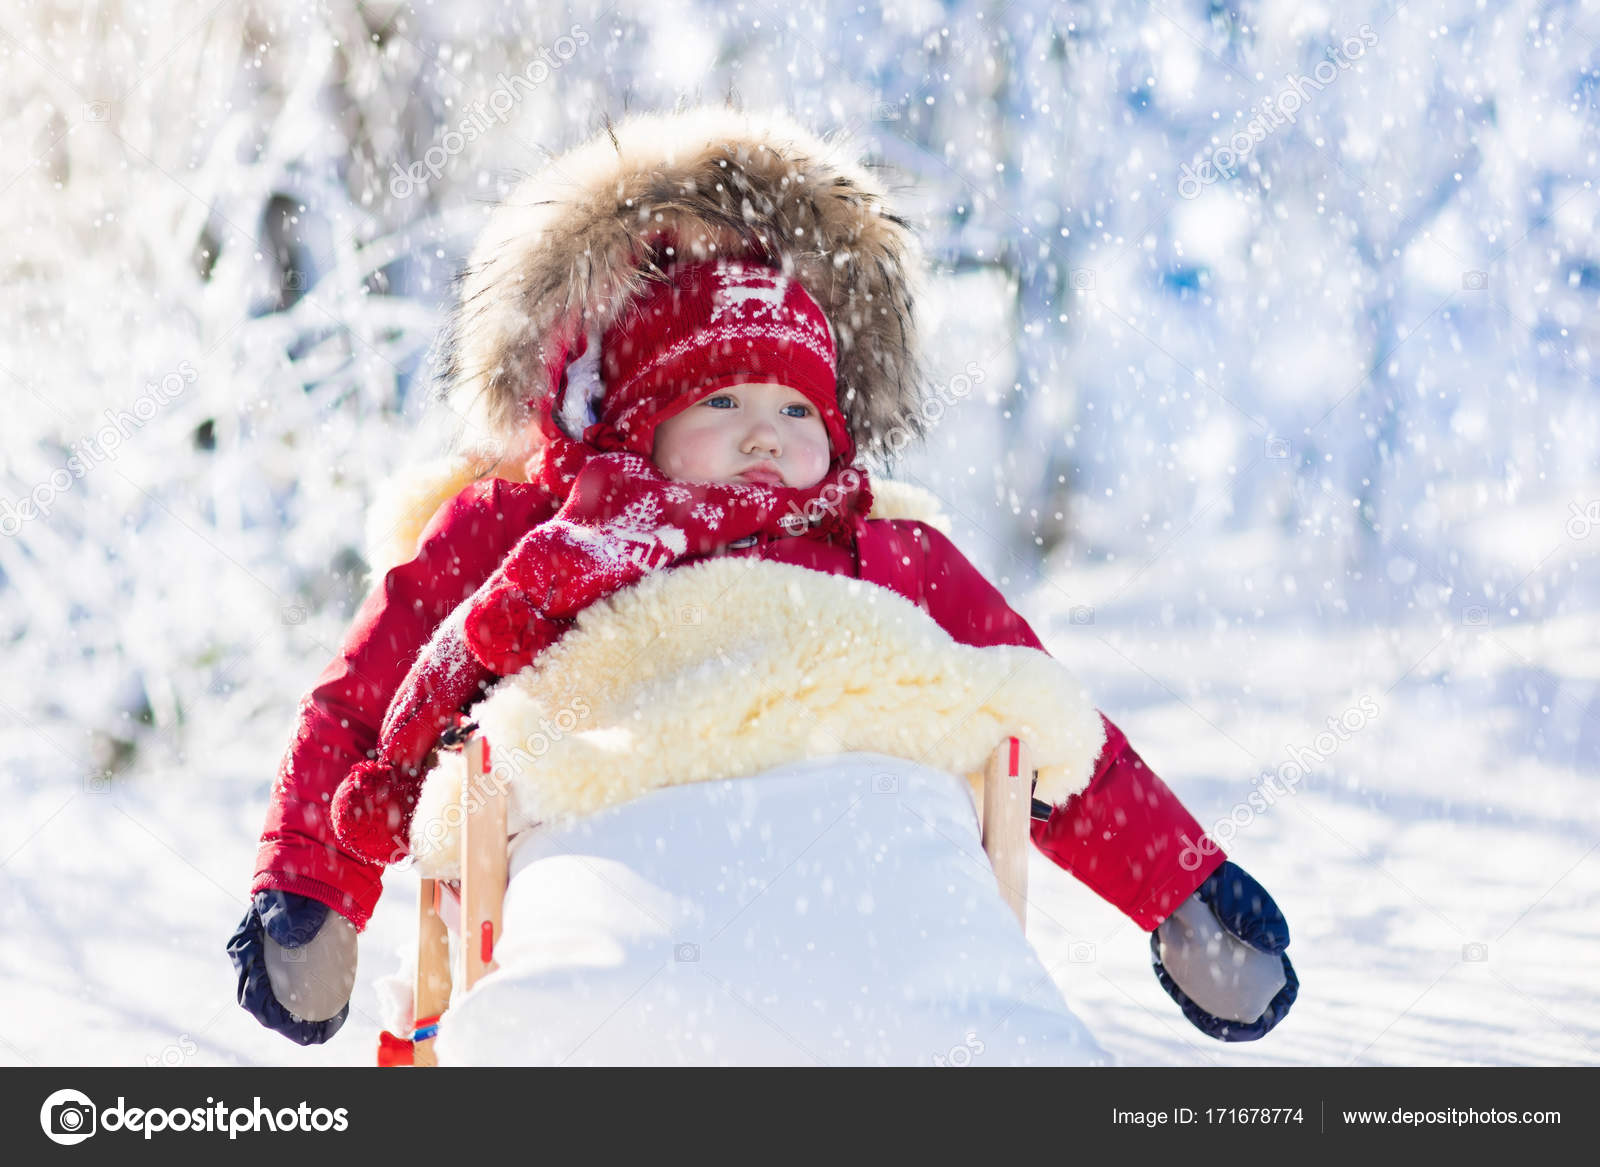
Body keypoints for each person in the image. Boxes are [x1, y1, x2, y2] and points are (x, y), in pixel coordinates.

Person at [228, 107, 1297, 1063]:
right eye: (724, 400)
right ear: (637, 415)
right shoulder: (538, 532)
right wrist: (308, 884)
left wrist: (1183, 893)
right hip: (616, 821)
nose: (765, 436)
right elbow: (365, 695)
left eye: (798, 413)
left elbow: (1052, 726)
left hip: (873, 839)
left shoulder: (886, 550)